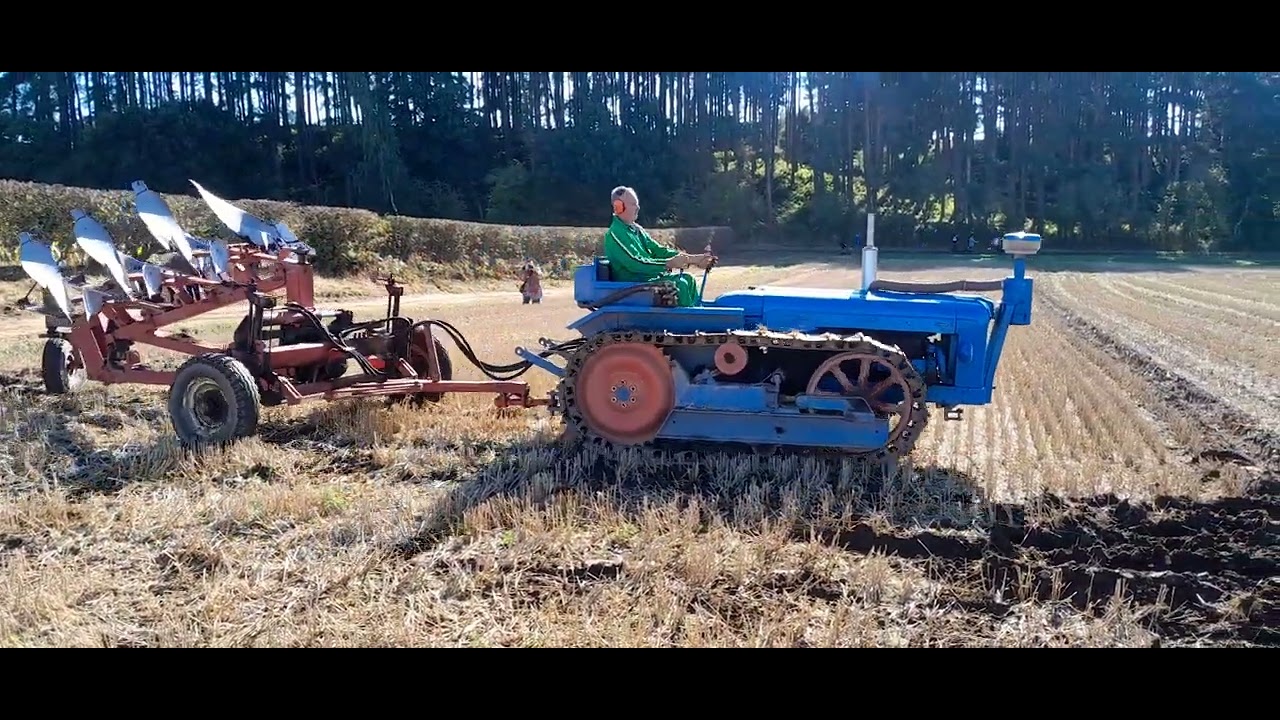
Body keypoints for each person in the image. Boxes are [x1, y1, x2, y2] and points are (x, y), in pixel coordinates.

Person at [602, 186, 714, 307]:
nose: (638, 207)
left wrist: (693, 259)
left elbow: (658, 250)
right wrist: (668, 264)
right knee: (680, 285)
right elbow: (636, 263)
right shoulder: (615, 234)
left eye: (637, 204)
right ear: (618, 207)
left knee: (689, 279)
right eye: (633, 204)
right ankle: (689, 317)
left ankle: (696, 312)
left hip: (648, 280)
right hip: (633, 285)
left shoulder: (636, 230)